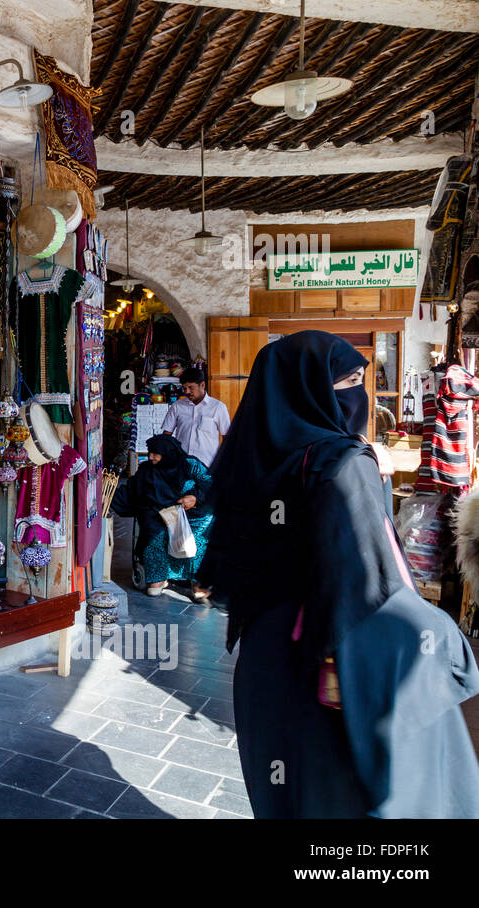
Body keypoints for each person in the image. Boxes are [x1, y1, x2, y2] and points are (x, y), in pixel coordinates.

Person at [201, 330, 479, 818]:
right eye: (346, 381)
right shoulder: (343, 464)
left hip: (266, 662)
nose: (358, 395)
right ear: (312, 390)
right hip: (328, 667)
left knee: (286, 792)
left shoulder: (251, 461)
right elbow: (375, 591)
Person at [111, 434, 213, 603]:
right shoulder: (147, 470)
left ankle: (197, 582)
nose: (151, 456)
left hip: (191, 513)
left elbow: (210, 483)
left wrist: (195, 498)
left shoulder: (189, 465)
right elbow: (132, 491)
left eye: (156, 453)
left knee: (201, 532)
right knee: (153, 532)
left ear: (168, 453)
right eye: (150, 452)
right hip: (159, 514)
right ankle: (158, 577)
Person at [161, 366, 230, 466]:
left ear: (202, 385)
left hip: (208, 466)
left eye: (191, 387)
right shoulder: (177, 406)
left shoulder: (218, 407)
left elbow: (227, 439)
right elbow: (166, 436)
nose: (187, 392)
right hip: (182, 466)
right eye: (184, 388)